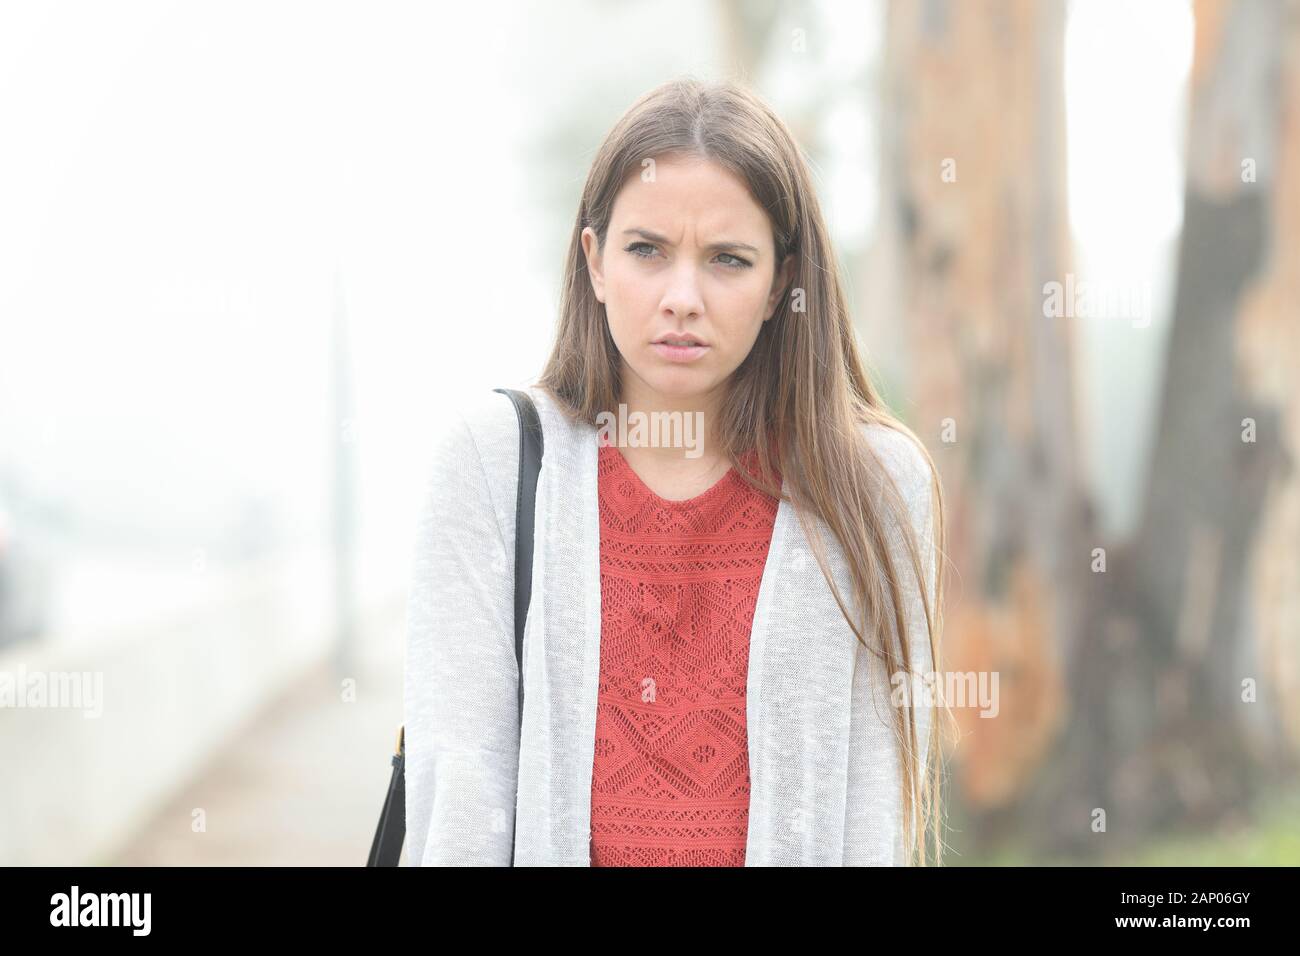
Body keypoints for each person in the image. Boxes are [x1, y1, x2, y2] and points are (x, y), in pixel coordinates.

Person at [404, 76, 948, 866]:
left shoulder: (873, 484)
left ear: (781, 286)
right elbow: (461, 794)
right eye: (646, 251)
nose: (682, 297)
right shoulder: (492, 466)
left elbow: (874, 816)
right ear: (594, 261)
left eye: (728, 259)